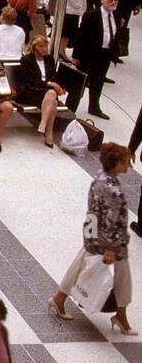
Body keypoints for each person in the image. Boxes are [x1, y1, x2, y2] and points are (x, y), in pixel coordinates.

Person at [49, 142, 134, 333]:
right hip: (109, 240)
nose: (128, 166)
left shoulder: (99, 177)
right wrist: (112, 247)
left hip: (92, 229)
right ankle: (121, 317)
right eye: (125, 162)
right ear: (115, 163)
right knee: (123, 278)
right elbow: (113, 218)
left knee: (80, 265)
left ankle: (59, 299)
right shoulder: (112, 189)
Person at [73, 0, 120, 120]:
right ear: (102, 0)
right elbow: (80, 36)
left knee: (98, 83)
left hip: (105, 55)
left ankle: (94, 107)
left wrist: (114, 53)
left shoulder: (116, 15)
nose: (113, 3)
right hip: (88, 55)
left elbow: (115, 34)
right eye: (110, 0)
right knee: (80, 84)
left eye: (116, 1)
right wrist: (76, 56)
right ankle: (71, 108)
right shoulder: (91, 15)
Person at [13, 34, 65, 149]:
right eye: (41, 46)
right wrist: (50, 84)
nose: (44, 49)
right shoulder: (26, 60)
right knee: (53, 98)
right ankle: (47, 130)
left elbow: (53, 76)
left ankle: (44, 126)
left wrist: (59, 86)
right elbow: (30, 80)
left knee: (52, 98)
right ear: (34, 47)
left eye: (45, 46)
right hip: (30, 91)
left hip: (46, 93)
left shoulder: (49, 59)